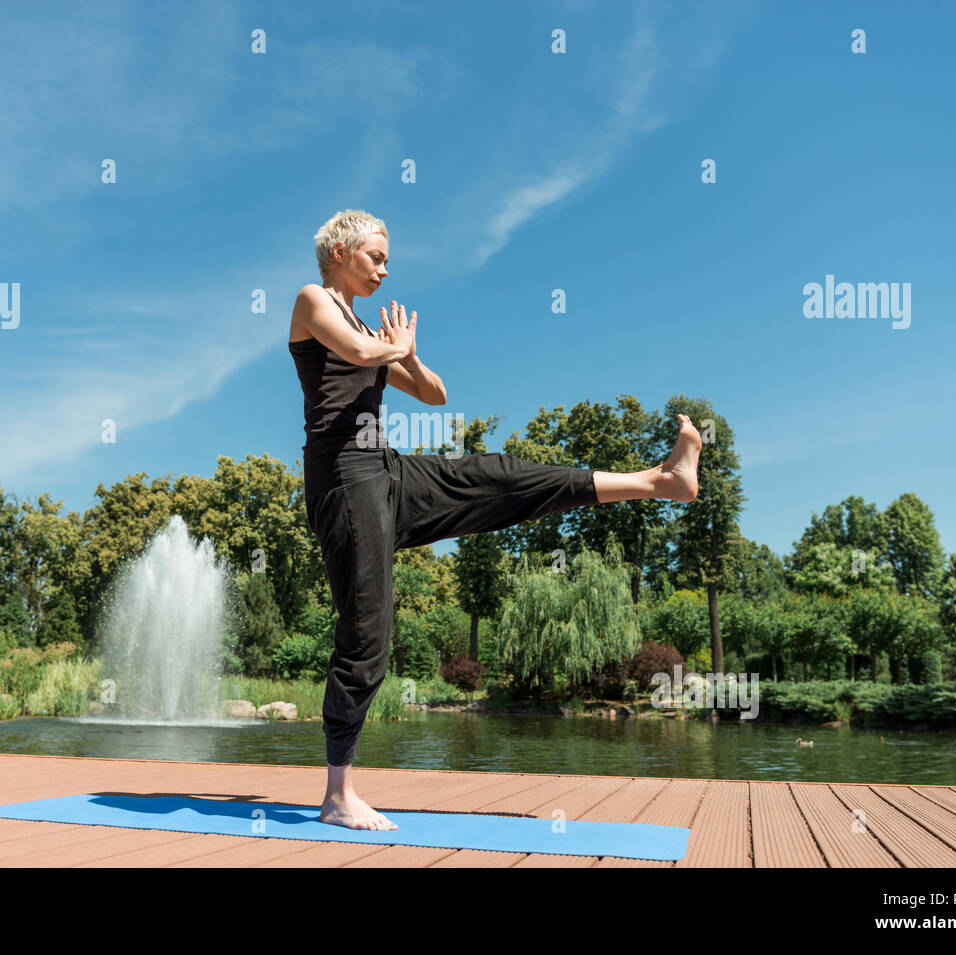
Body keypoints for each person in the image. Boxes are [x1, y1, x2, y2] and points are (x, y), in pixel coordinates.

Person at [288, 209, 702, 830]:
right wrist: (390, 348)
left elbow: (435, 394)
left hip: (387, 470)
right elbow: (354, 351)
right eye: (376, 256)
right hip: (343, 481)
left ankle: (658, 483)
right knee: (368, 632)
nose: (385, 267)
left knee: (500, 475)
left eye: (386, 257)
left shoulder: (369, 324)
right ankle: (337, 794)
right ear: (342, 250)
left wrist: (409, 355)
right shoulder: (313, 300)